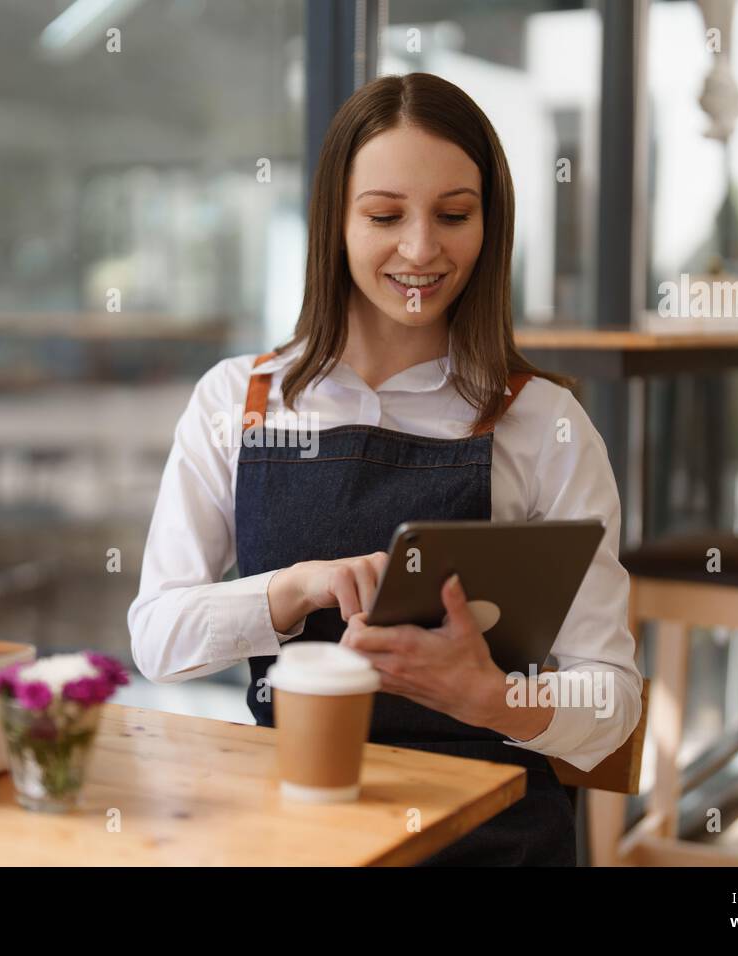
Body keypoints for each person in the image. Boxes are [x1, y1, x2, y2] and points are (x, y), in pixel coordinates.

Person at [128, 72, 642, 865]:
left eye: (454, 215)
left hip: (491, 837)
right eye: (385, 215)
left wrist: (496, 698)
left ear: (489, 224)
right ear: (334, 220)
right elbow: (158, 639)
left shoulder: (545, 425)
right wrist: (291, 589)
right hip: (300, 827)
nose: (421, 248)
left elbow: (609, 701)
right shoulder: (240, 400)